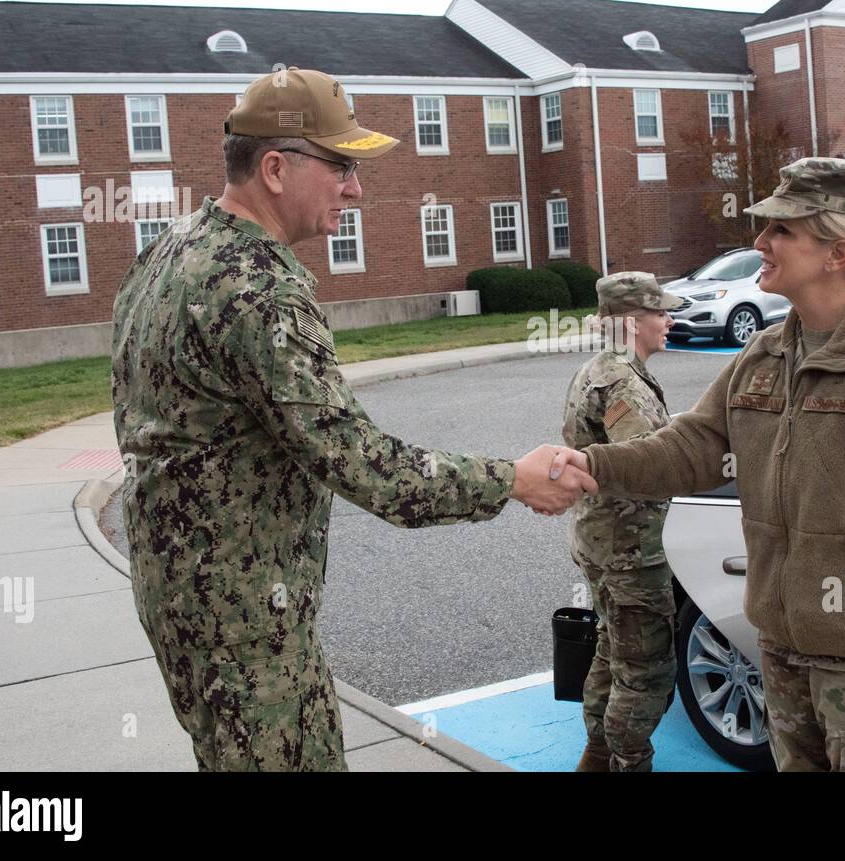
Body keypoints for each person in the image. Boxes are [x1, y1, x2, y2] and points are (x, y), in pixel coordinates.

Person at [111, 67, 595, 771]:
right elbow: (365, 465)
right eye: (341, 165)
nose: (356, 187)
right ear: (275, 168)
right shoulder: (258, 289)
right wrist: (512, 480)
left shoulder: (168, 253)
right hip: (248, 627)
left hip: (180, 600)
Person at [564, 158, 845, 772]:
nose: (760, 243)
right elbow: (694, 447)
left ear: (836, 252)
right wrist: (586, 465)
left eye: (781, 230)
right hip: (783, 653)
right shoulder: (764, 354)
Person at [562, 272, 683, 772]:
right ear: (633, 323)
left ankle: (597, 755)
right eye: (661, 313)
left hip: (603, 540)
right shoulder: (623, 384)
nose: (670, 320)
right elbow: (648, 465)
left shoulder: (600, 368)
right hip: (632, 549)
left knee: (612, 653)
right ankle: (628, 763)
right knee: (647, 671)